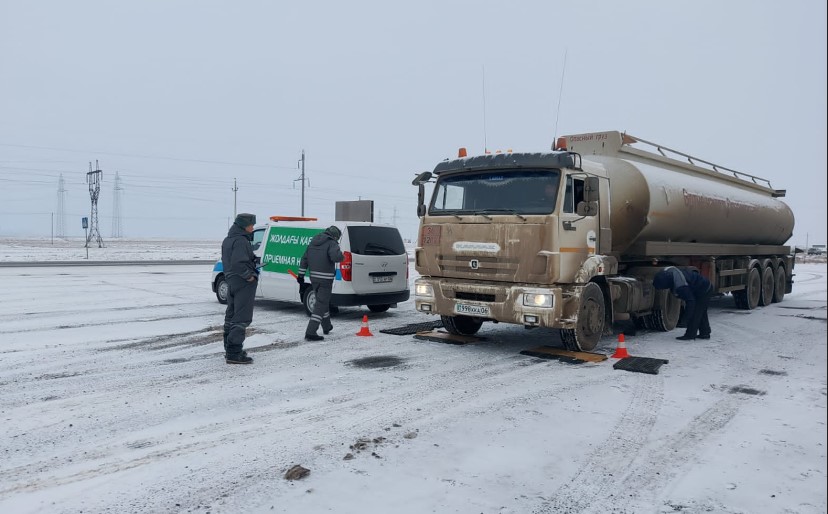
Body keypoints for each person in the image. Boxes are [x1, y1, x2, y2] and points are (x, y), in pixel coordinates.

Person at [221, 213, 259, 364]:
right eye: (251, 224)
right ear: (244, 225)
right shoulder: (241, 240)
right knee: (241, 317)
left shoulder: (228, 239)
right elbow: (238, 263)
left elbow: (231, 260)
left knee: (231, 315)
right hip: (242, 282)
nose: (253, 227)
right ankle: (234, 353)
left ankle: (229, 348)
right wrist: (249, 276)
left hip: (231, 280)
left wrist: (253, 260)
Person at [297, 225, 344, 341]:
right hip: (325, 280)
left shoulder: (313, 242)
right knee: (321, 305)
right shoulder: (332, 243)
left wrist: (301, 276)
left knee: (322, 302)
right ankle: (311, 332)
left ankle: (327, 326)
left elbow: (304, 260)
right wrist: (342, 255)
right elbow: (336, 257)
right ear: (334, 236)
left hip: (314, 279)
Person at [652, 266, 713, 341]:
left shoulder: (681, 286)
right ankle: (705, 333)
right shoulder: (667, 272)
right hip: (701, 286)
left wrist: (685, 319)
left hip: (704, 290)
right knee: (701, 311)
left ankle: (690, 335)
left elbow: (691, 302)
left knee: (696, 313)